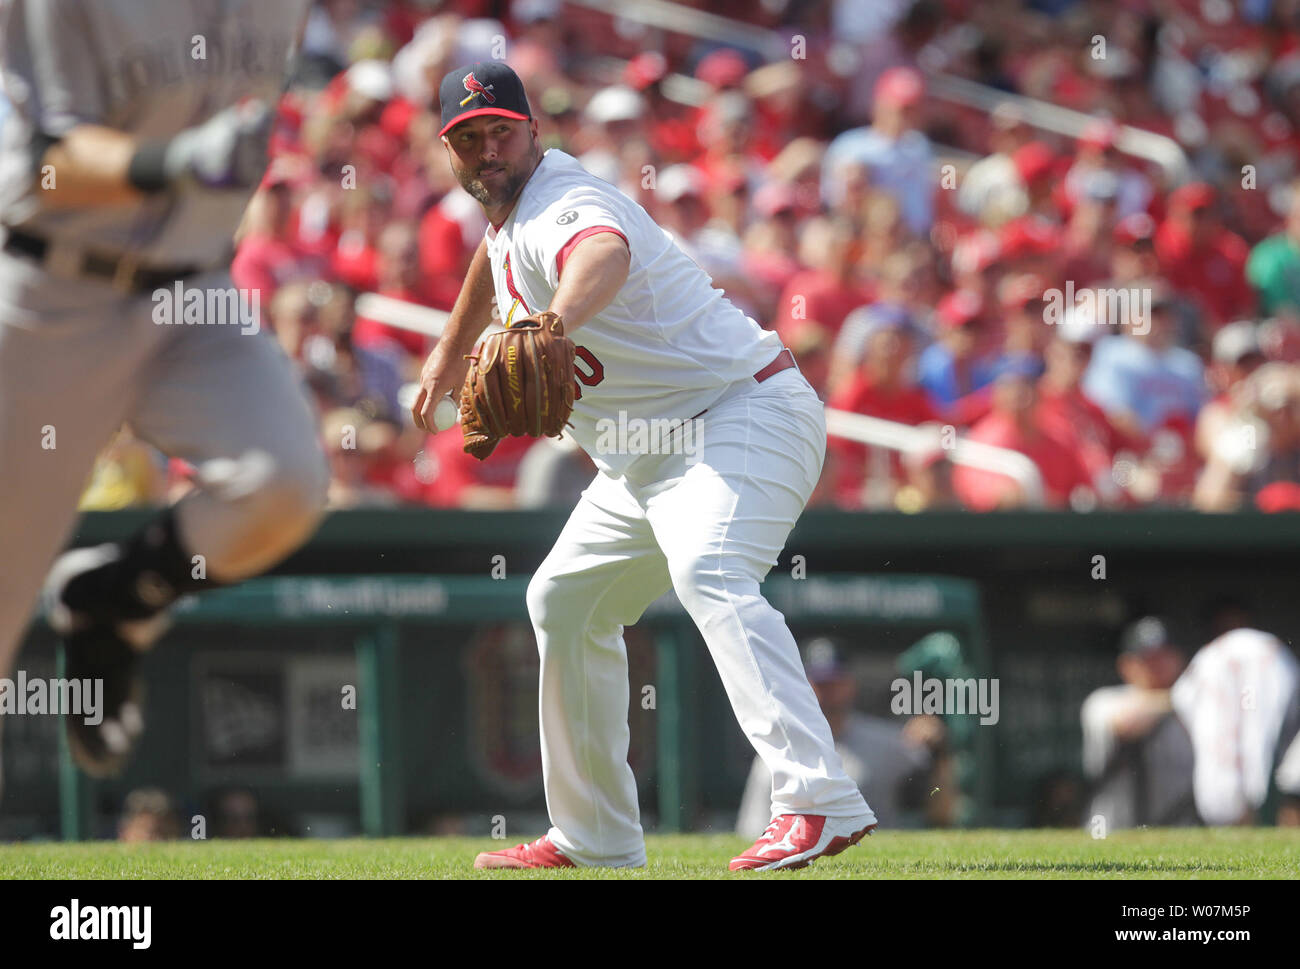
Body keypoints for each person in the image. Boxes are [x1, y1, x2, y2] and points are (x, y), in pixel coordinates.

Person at [411, 63, 876, 871]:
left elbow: (603, 250)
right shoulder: (509, 215)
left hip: (741, 413)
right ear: (449, 149)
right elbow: (493, 262)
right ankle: (594, 836)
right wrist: (449, 354)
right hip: (646, 456)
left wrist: (553, 322)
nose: (489, 150)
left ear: (533, 132)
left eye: (502, 132)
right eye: (470, 137)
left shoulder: (565, 201)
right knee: (564, 600)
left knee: (711, 569)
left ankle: (817, 799)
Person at [0, 1, 328, 786]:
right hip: (49, 293)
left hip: (194, 293)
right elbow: (43, 160)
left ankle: (110, 600)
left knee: (284, 482)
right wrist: (172, 160)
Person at [736, 639, 935, 836]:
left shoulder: (886, 743)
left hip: (877, 853)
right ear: (803, 687)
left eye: (834, 681)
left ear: (850, 684)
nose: (827, 691)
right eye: (820, 682)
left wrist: (936, 742)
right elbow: (752, 832)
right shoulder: (777, 751)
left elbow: (932, 770)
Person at [1080, 617, 1196, 830]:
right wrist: (1181, 698)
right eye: (1147, 658)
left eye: (1164, 656)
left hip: (1180, 832)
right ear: (1126, 665)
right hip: (1112, 832)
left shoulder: (1196, 706)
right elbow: (1128, 724)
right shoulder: (1103, 701)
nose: (1157, 665)